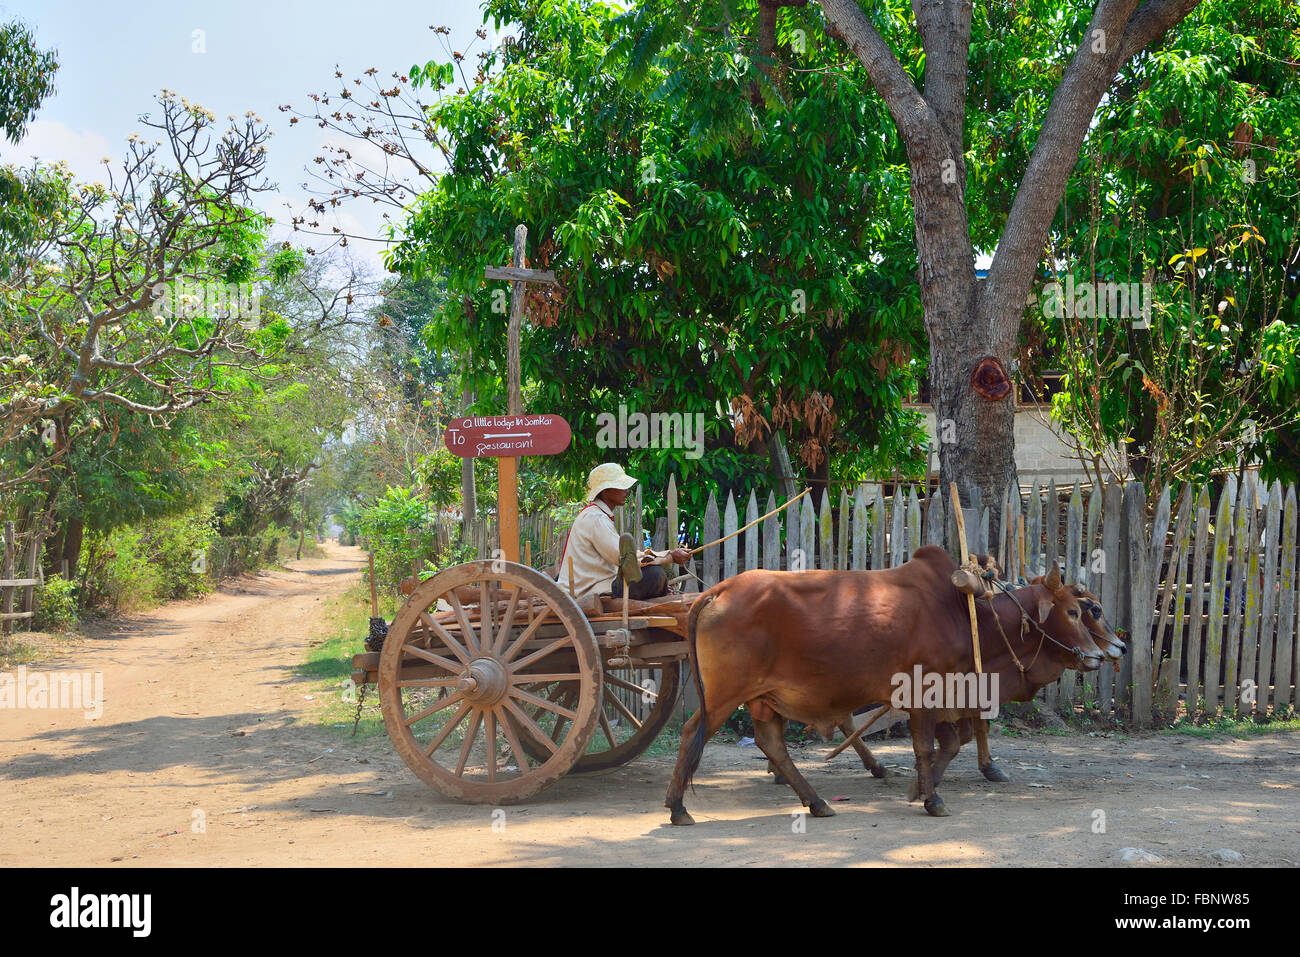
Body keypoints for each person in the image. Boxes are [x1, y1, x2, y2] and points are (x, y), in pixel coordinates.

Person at [557, 463, 691, 601]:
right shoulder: (595, 518)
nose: (626, 491)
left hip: (599, 583)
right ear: (605, 491)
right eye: (621, 486)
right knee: (655, 574)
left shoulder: (597, 515)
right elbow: (625, 559)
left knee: (654, 575)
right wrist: (670, 556)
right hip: (589, 590)